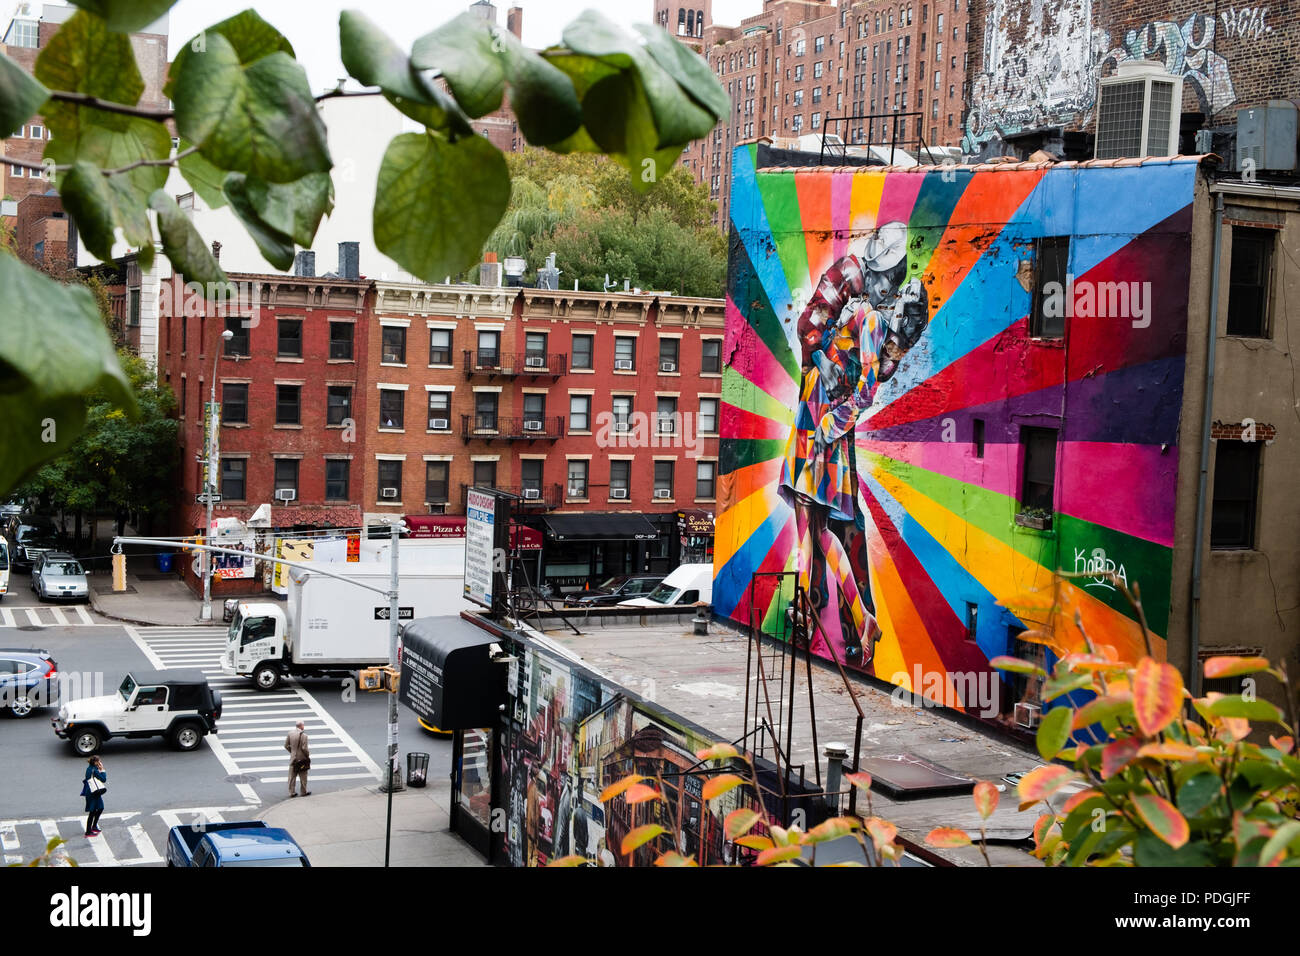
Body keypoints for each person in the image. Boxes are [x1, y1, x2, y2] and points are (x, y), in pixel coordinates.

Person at [781, 222, 929, 667]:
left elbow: (865, 390)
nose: (888, 284)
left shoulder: (870, 320)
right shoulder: (868, 312)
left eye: (892, 279)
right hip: (819, 412)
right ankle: (827, 608)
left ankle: (846, 613)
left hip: (821, 420)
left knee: (814, 521)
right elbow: (828, 342)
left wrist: (832, 422)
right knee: (813, 521)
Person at [81, 755, 106, 837]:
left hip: (92, 791)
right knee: (92, 811)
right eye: (98, 761)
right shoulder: (94, 770)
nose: (100, 762)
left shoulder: (90, 768)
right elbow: (103, 779)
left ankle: (94, 826)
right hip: (93, 792)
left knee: (100, 808)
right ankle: (88, 831)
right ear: (95, 762)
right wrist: (102, 770)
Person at [285, 720, 310, 797]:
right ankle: (303, 792)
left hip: (293, 759)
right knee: (303, 776)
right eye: (303, 725)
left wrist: (292, 752)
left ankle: (291, 792)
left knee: (292, 776)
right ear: (301, 725)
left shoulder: (290, 733)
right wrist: (307, 756)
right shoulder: (304, 736)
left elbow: (286, 745)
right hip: (302, 759)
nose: (303, 726)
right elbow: (304, 748)